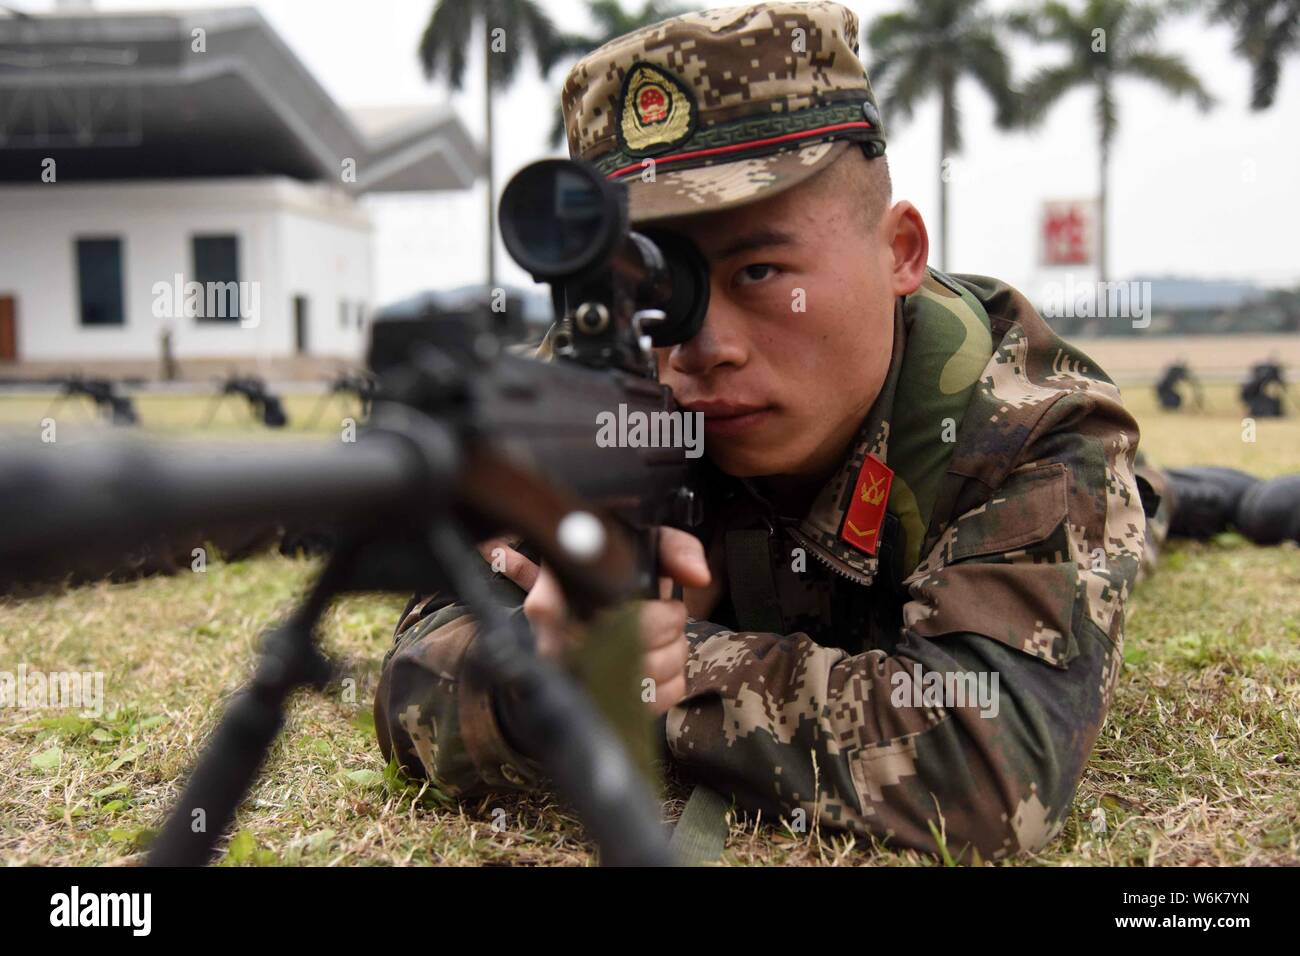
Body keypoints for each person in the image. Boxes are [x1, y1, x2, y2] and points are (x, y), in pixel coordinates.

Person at [373, 0, 1164, 862]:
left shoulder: (1031, 422)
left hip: (1025, 505)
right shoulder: (592, 382)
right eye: (653, 286)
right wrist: (527, 674)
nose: (699, 349)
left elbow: (988, 769)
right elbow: (415, 682)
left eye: (757, 271)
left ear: (899, 250)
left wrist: (653, 672)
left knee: (1145, 515)